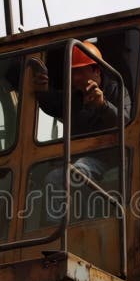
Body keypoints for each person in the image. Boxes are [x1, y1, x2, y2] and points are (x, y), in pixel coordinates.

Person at [33, 41, 131, 221]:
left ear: (96, 70)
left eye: (79, 71)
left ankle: (80, 223)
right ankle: (56, 231)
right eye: (73, 72)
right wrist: (42, 91)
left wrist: (103, 106)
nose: (75, 78)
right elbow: (54, 104)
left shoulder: (117, 90)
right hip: (76, 157)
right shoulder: (74, 95)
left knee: (76, 173)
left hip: (106, 158)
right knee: (52, 178)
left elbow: (126, 124)